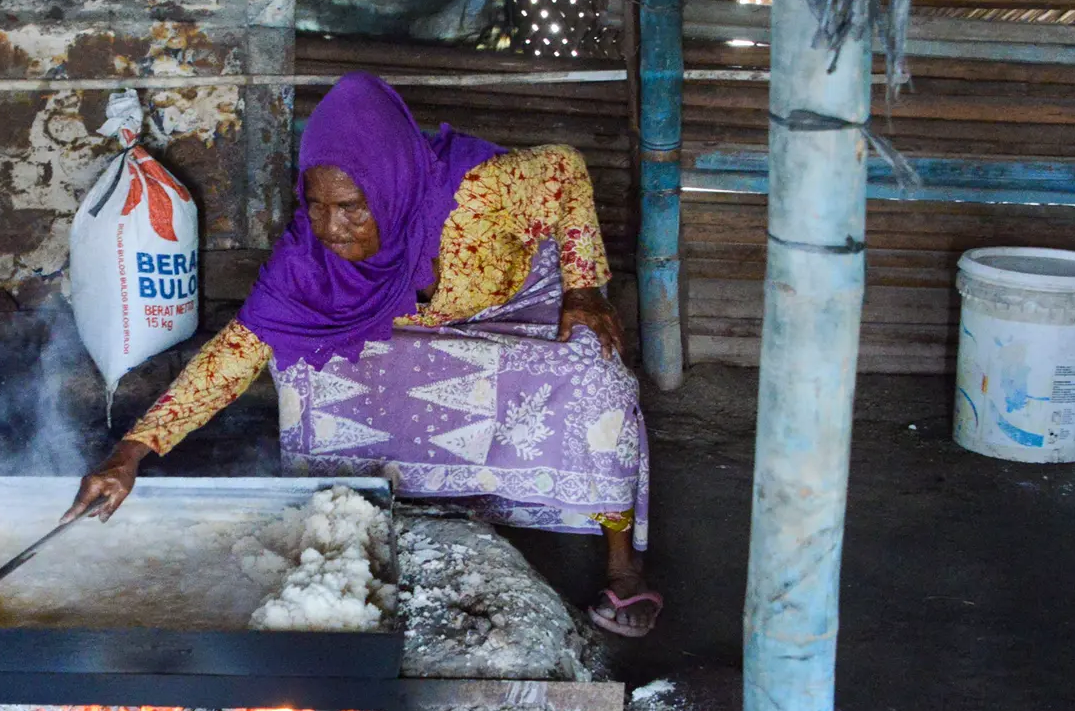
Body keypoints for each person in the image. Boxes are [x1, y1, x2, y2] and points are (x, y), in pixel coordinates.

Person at [66, 73, 659, 636]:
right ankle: (347, 520)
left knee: (591, 372)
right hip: (414, 315)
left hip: (517, 296)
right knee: (305, 368)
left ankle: (619, 564)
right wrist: (131, 453)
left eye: (352, 206)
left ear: (391, 184)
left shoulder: (478, 191)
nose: (332, 228)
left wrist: (583, 287)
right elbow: (234, 353)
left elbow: (566, 169)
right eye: (318, 206)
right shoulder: (309, 257)